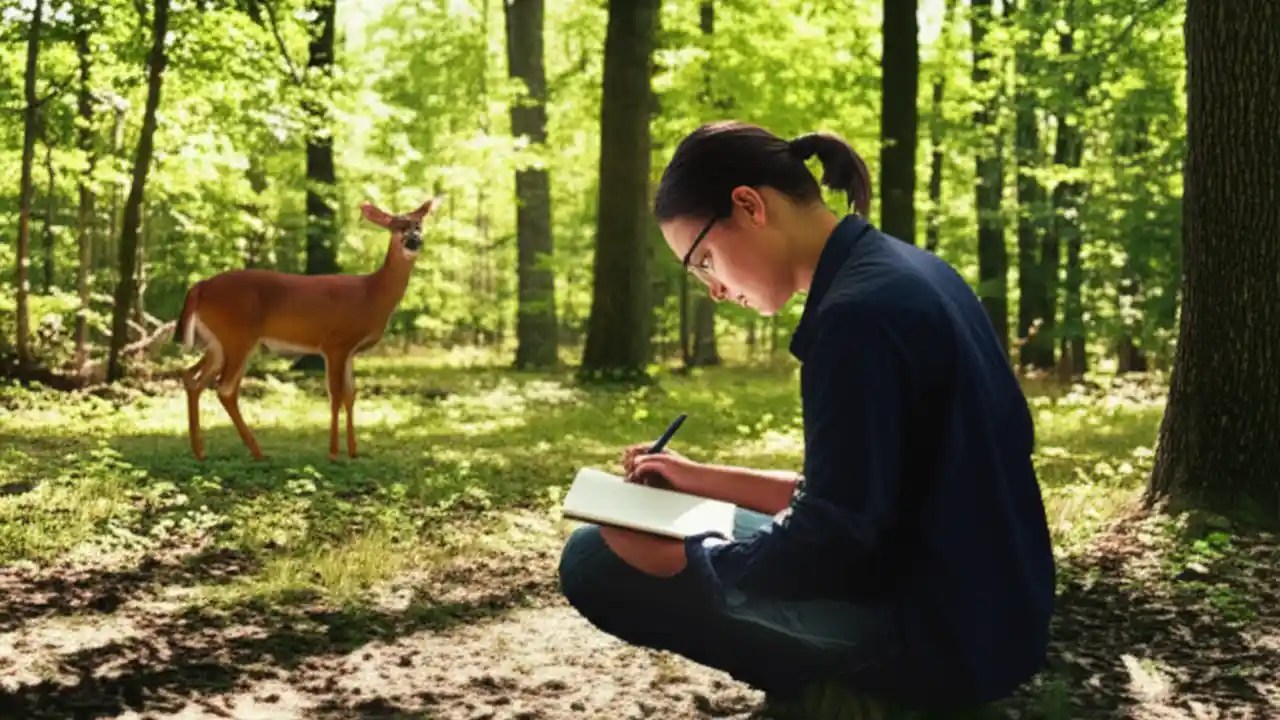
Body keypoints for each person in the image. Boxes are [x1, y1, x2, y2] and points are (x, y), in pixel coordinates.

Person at [557, 120, 1055, 713]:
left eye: (704, 259)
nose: (713, 289)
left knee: (592, 560)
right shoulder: (908, 272)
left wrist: (694, 563)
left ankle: (856, 699)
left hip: (938, 637)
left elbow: (834, 538)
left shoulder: (856, 319)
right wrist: (696, 476)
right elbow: (860, 498)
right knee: (678, 537)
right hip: (995, 607)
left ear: (749, 206)